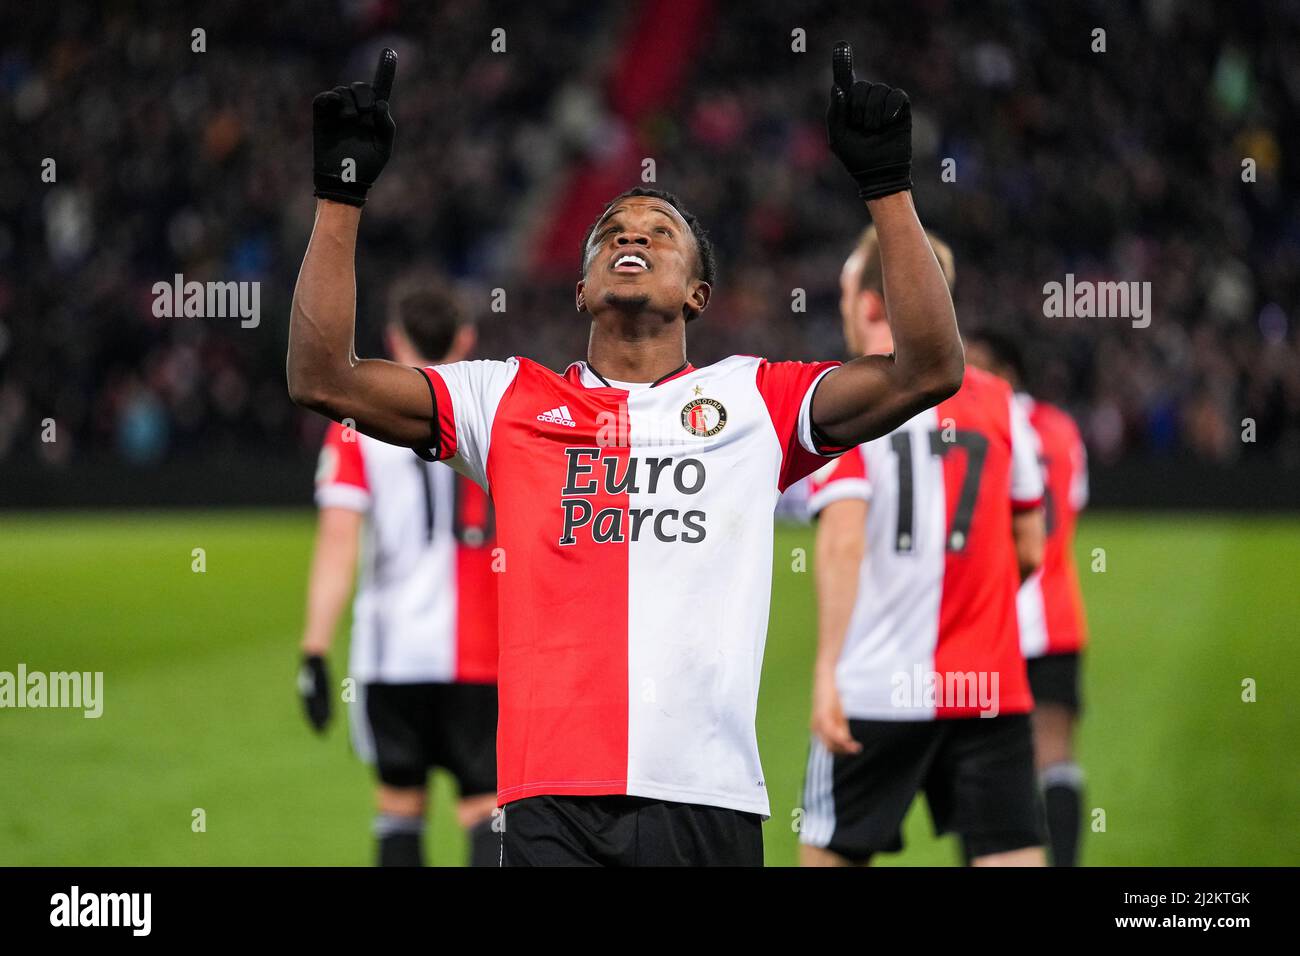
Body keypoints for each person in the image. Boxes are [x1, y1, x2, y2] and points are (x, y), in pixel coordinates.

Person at [288, 43, 964, 866]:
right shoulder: (503, 400)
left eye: (659, 231)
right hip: (548, 805)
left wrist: (888, 190)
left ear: (697, 294)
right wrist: (340, 196)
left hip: (706, 800)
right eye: (609, 232)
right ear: (580, 290)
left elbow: (929, 368)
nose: (630, 235)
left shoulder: (755, 401)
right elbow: (323, 376)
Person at [800, 227, 1047, 866]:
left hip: (878, 686)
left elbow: (842, 541)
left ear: (872, 305)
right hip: (988, 684)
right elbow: (1030, 547)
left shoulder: (843, 401)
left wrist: (826, 669)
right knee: (1010, 854)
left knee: (833, 853)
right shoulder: (1000, 403)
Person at [297, 280, 499, 866]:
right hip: (484, 654)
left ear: (392, 340)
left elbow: (339, 542)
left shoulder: (357, 425)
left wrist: (313, 651)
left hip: (392, 657)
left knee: (398, 808)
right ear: (465, 339)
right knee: (487, 810)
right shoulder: (497, 418)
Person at [965, 330, 1090, 866]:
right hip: (1057, 618)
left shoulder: (976, 423)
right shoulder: (1062, 429)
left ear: (1004, 373)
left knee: (978, 766)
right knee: (1055, 756)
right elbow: (1074, 503)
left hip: (988, 620)